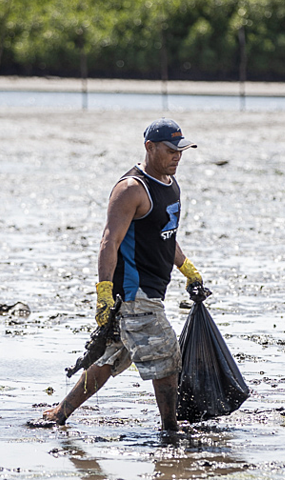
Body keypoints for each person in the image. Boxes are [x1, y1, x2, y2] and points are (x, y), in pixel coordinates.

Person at [42, 118, 208, 432]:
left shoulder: (171, 186)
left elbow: (165, 236)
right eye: (171, 150)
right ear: (150, 147)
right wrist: (103, 292)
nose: (177, 156)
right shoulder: (131, 189)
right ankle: (170, 428)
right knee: (167, 353)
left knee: (110, 358)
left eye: (181, 151)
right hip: (133, 292)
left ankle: (61, 413)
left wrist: (188, 270)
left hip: (153, 287)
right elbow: (110, 241)